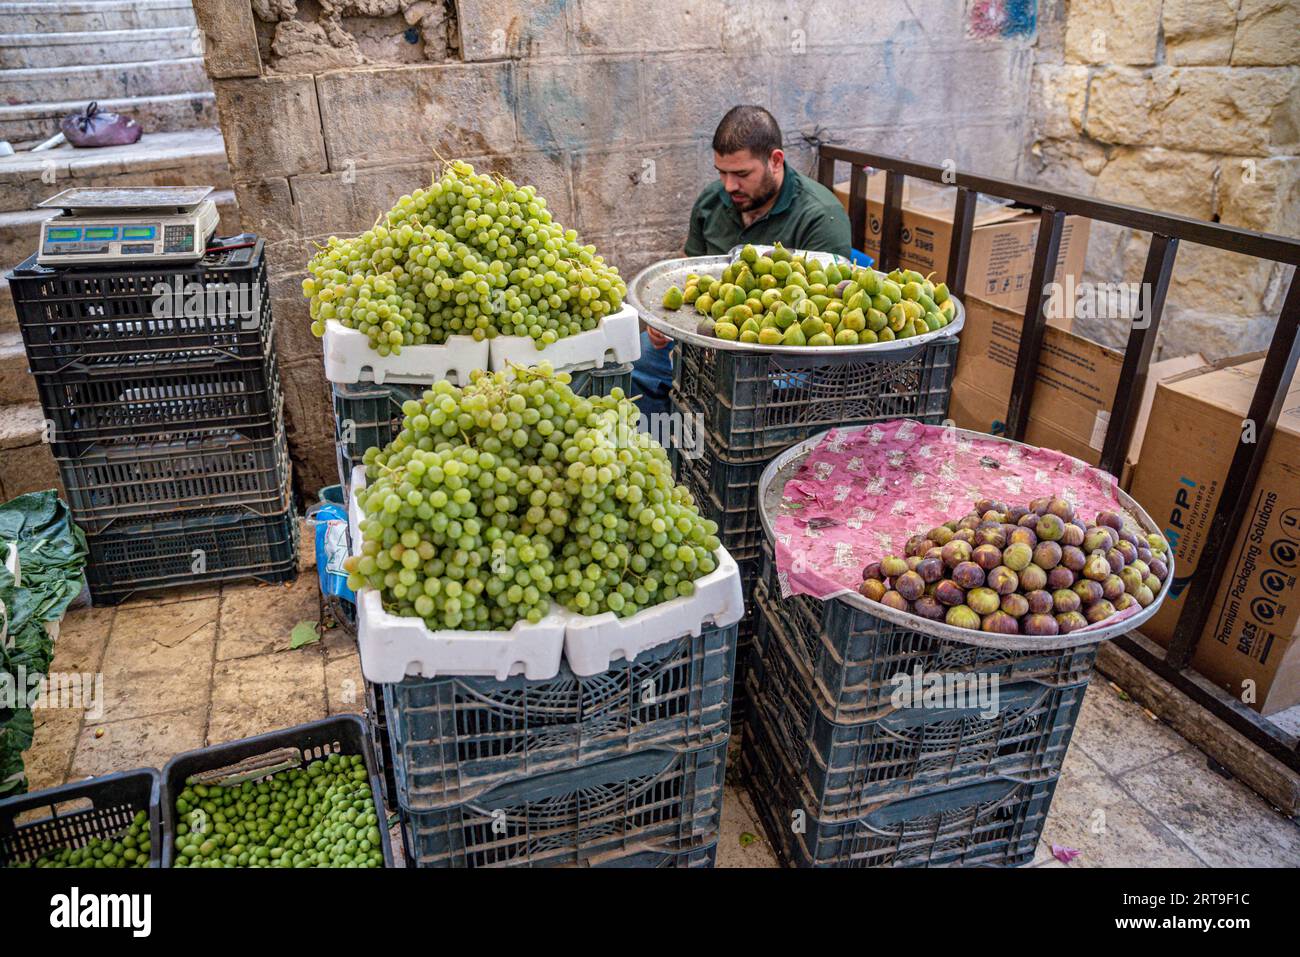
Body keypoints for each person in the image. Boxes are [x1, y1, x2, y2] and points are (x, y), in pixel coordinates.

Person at [633, 105, 853, 419]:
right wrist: (664, 324)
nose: (729, 186)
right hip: (703, 339)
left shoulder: (820, 217)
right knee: (638, 362)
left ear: (775, 161)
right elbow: (687, 276)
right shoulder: (713, 201)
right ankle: (664, 458)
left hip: (782, 359)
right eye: (721, 172)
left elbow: (832, 318)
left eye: (741, 174)